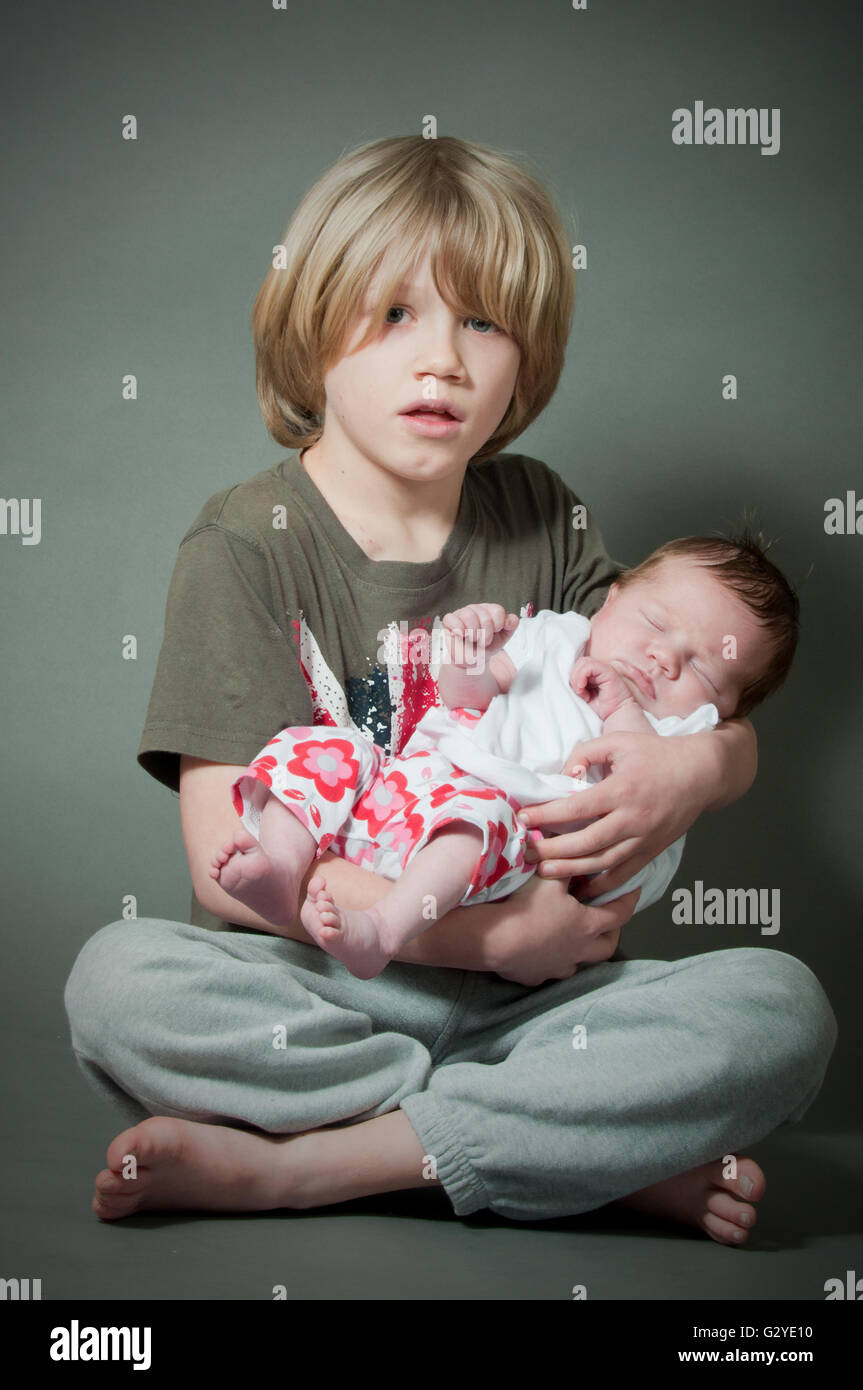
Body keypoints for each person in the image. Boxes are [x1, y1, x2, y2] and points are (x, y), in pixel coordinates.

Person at [64, 134, 836, 1245]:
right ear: (310, 325)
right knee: (119, 982)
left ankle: (314, 1164)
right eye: (393, 315)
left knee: (780, 1011)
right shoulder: (242, 544)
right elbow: (224, 876)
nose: (442, 362)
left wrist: (697, 765)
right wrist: (484, 940)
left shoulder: (539, 509)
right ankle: (568, 1155)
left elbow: (700, 701)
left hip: (541, 1014)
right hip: (326, 985)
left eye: (482, 322)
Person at [213, 534, 799, 981]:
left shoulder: (677, 738)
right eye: (654, 623)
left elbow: (615, 857)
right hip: (398, 797)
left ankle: (382, 932)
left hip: (494, 851)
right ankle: (283, 870)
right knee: (325, 749)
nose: (663, 658)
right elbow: (464, 697)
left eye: (702, 668)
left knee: (774, 995)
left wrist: (632, 716)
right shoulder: (551, 637)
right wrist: (470, 655)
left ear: (720, 712)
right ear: (610, 601)